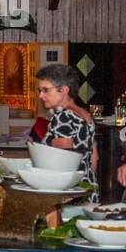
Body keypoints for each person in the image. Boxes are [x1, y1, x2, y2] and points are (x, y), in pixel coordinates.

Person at [35, 63, 97, 200]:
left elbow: (62, 164)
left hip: (69, 192)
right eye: (39, 90)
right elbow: (94, 157)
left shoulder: (63, 117)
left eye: (46, 90)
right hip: (86, 186)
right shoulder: (84, 114)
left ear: (63, 90)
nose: (41, 95)